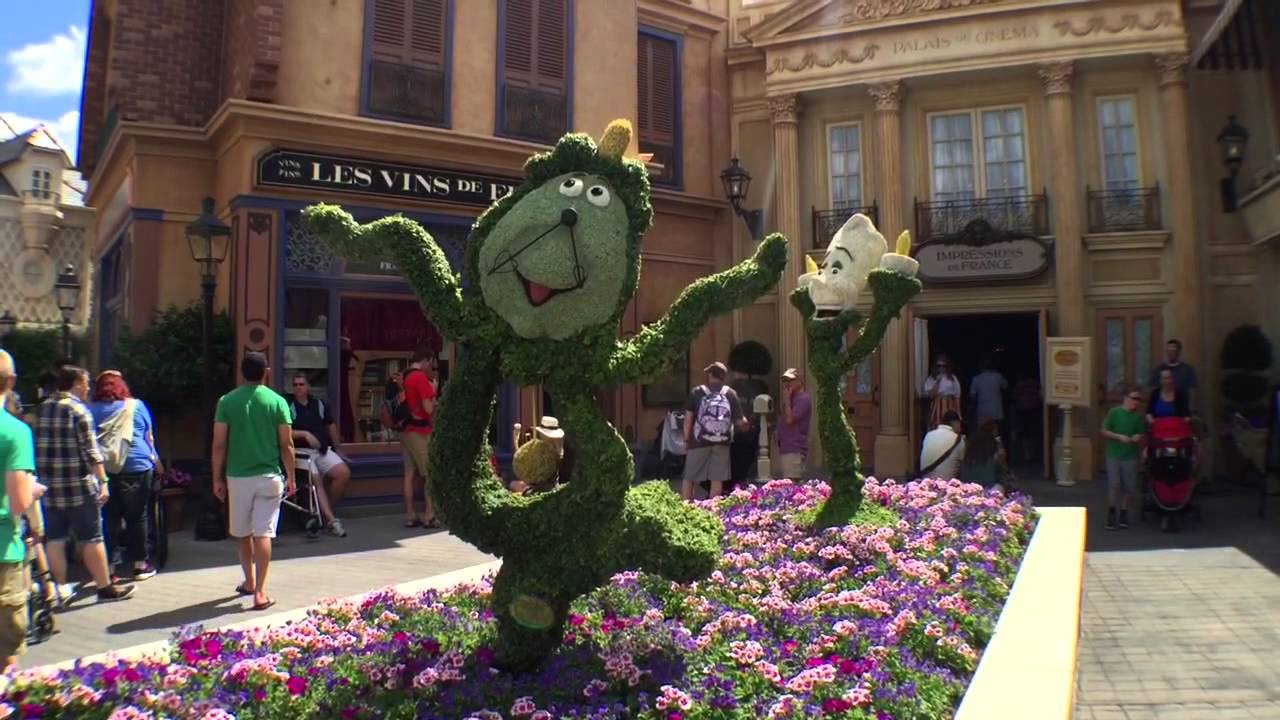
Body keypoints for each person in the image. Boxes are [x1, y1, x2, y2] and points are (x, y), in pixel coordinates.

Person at [35, 365, 134, 602]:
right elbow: (91, 452)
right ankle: (104, 587)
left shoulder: (43, 409)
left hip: (49, 485)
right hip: (78, 485)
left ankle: (57, 590)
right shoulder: (79, 410)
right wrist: (103, 481)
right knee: (91, 537)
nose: (89, 386)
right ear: (77, 383)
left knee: (56, 538)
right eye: (86, 382)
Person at [212, 352, 296, 612]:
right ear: (266, 372)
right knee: (264, 532)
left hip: (238, 477)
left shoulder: (227, 401)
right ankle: (260, 591)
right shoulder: (277, 401)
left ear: (241, 372)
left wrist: (216, 477)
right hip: (269, 476)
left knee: (242, 532)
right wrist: (291, 475)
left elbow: (219, 444)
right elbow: (287, 444)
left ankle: (248, 580)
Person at [87, 370, 161, 582]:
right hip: (137, 464)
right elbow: (149, 438)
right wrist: (157, 462)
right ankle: (139, 565)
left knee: (110, 518)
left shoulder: (90, 410)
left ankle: (109, 567)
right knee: (137, 516)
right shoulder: (136, 405)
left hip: (105, 468)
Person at [0, 350, 41, 670]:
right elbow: (19, 502)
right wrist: (34, 489)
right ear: (11, 382)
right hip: (4, 550)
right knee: (5, 656)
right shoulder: (14, 432)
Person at [288, 373, 348, 537]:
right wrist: (305, 434)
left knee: (343, 473)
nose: (298, 387)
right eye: (295, 385)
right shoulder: (288, 406)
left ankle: (324, 513)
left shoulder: (319, 404)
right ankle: (331, 519)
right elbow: (284, 433)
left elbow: (330, 425)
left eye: (301, 384)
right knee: (317, 480)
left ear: (308, 387)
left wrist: (337, 447)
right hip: (301, 452)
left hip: (321, 449)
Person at [682, 362, 748, 500]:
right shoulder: (730, 393)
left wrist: (686, 440)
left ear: (711, 374)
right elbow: (739, 421)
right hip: (722, 442)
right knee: (717, 479)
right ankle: (713, 511)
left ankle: (686, 508)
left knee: (689, 477)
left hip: (698, 441)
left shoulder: (697, 392)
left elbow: (688, 419)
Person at [399, 349, 437, 528]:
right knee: (430, 472)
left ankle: (410, 515)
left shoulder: (405, 376)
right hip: (419, 431)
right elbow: (428, 409)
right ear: (426, 360)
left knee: (409, 473)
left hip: (405, 430)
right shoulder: (420, 378)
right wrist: (434, 391)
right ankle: (429, 515)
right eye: (431, 363)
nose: (432, 367)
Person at [1102, 388, 1146, 531]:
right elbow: (1104, 431)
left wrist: (1137, 437)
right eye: (1134, 398)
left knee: (1129, 487)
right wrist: (1119, 437)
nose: (1136, 402)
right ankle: (1112, 512)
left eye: (1138, 400)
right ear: (1126, 398)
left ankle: (1124, 513)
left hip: (1130, 456)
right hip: (1114, 454)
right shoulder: (1114, 412)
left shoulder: (1138, 417)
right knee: (1114, 484)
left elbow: (1141, 433)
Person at [776, 368, 812, 480]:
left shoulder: (803, 399)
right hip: (786, 447)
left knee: (791, 484)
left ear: (800, 381)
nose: (787, 384)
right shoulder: (792, 398)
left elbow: (789, 420)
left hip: (794, 448)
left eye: (790, 380)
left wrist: (786, 399)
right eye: (785, 380)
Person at [961, 418, 1014, 492]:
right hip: (988, 487)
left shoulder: (972, 446)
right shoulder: (993, 447)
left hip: (968, 486)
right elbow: (1003, 470)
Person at [1147, 339, 1198, 404]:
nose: (1170, 352)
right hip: (1162, 407)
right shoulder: (1158, 369)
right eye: (1169, 350)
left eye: (1173, 350)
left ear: (1179, 351)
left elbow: (1193, 391)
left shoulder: (1188, 370)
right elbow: (1152, 389)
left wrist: (1193, 410)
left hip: (1181, 406)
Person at [919, 410, 966, 480]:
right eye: (960, 424)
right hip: (948, 485)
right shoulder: (958, 439)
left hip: (926, 483)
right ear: (955, 423)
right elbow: (964, 465)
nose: (961, 427)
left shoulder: (928, 435)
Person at [969, 357, 1007, 434]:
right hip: (996, 411)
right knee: (996, 435)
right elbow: (1005, 386)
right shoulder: (998, 376)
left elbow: (972, 396)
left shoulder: (976, 379)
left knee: (984, 435)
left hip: (983, 411)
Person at [924, 355, 962, 430]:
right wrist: (937, 382)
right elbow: (931, 395)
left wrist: (959, 412)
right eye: (939, 366)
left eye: (943, 366)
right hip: (937, 405)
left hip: (950, 404)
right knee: (937, 425)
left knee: (951, 425)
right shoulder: (931, 379)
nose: (941, 368)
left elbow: (957, 396)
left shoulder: (952, 378)